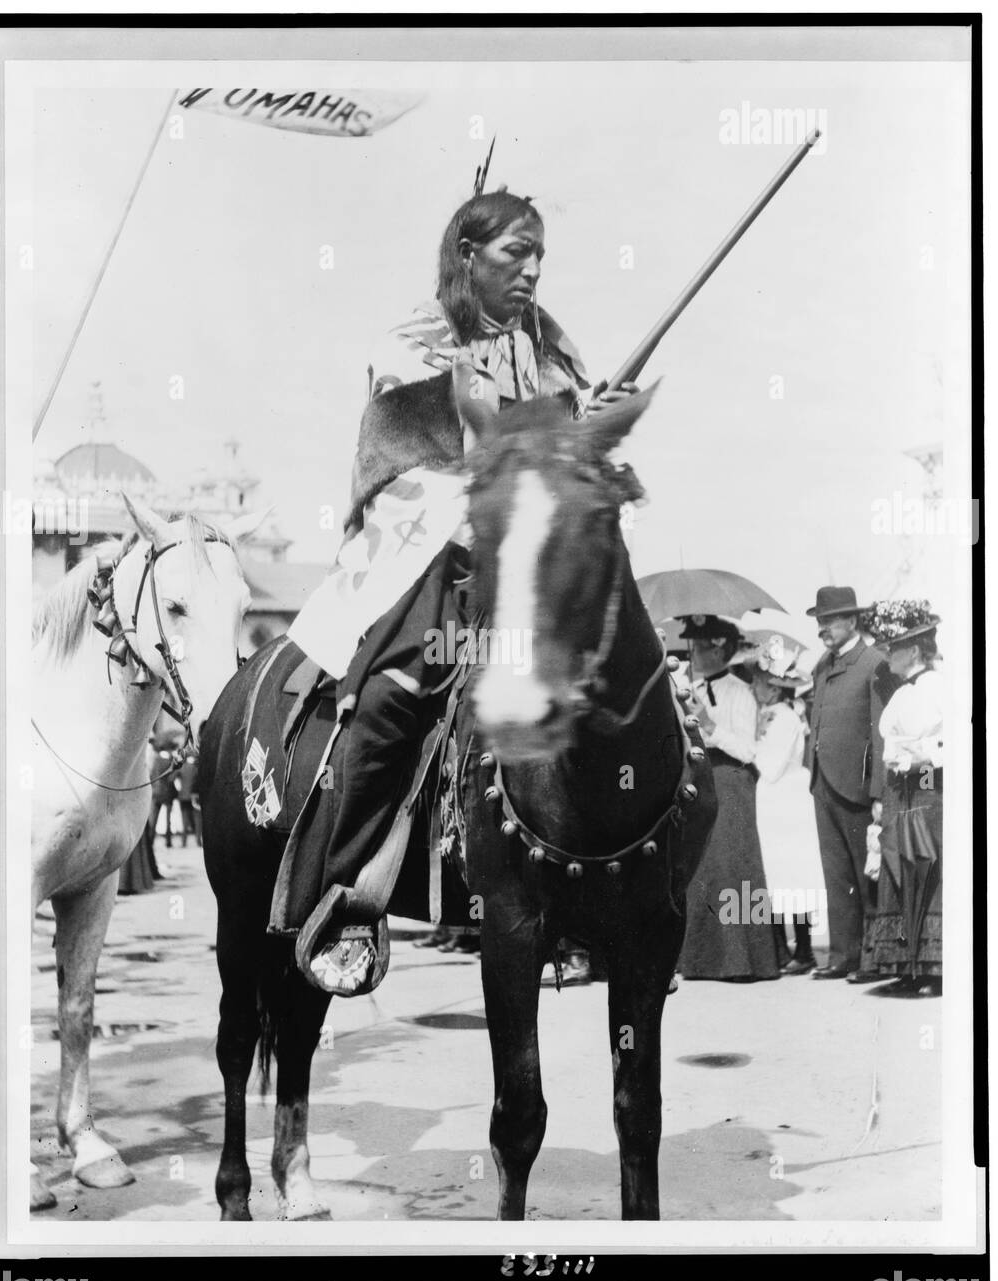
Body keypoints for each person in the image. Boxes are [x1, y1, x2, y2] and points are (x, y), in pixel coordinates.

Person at [284, 187, 639, 995]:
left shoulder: (550, 349)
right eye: (517, 253)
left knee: (616, 684)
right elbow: (429, 447)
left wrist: (595, 422)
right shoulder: (415, 338)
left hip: (534, 558)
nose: (533, 271)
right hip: (436, 548)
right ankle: (345, 896)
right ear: (467, 255)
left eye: (540, 256)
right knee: (390, 693)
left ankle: (587, 896)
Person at [675, 615, 780, 982]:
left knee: (733, 866)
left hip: (732, 780)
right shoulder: (694, 689)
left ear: (718, 649)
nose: (695, 655)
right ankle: (702, 959)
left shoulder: (739, 691)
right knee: (702, 867)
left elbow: (747, 749)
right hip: (700, 779)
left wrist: (709, 727)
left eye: (699, 647)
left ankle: (743, 961)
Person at [804, 586, 894, 982]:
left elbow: (880, 733)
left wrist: (878, 791)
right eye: (820, 621)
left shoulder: (874, 663)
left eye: (830, 620)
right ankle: (843, 955)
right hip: (823, 781)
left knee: (865, 872)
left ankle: (873, 958)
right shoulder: (822, 665)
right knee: (836, 873)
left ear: (853, 621)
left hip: (857, 785)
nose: (822, 628)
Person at [859, 602, 943, 995]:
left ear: (912, 650)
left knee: (926, 857)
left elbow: (945, 745)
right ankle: (903, 964)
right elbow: (892, 741)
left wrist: (922, 767)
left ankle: (931, 967)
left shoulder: (937, 687)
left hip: (925, 783)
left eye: (893, 648)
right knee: (898, 863)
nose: (887, 654)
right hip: (899, 788)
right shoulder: (902, 692)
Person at [748, 638, 822, 974]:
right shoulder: (770, 714)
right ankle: (784, 946)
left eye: (760, 683)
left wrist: (746, 752)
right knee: (776, 874)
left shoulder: (785, 719)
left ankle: (803, 949)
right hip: (773, 799)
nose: (755, 687)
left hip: (784, 799)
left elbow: (770, 764)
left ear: (776, 690)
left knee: (791, 874)